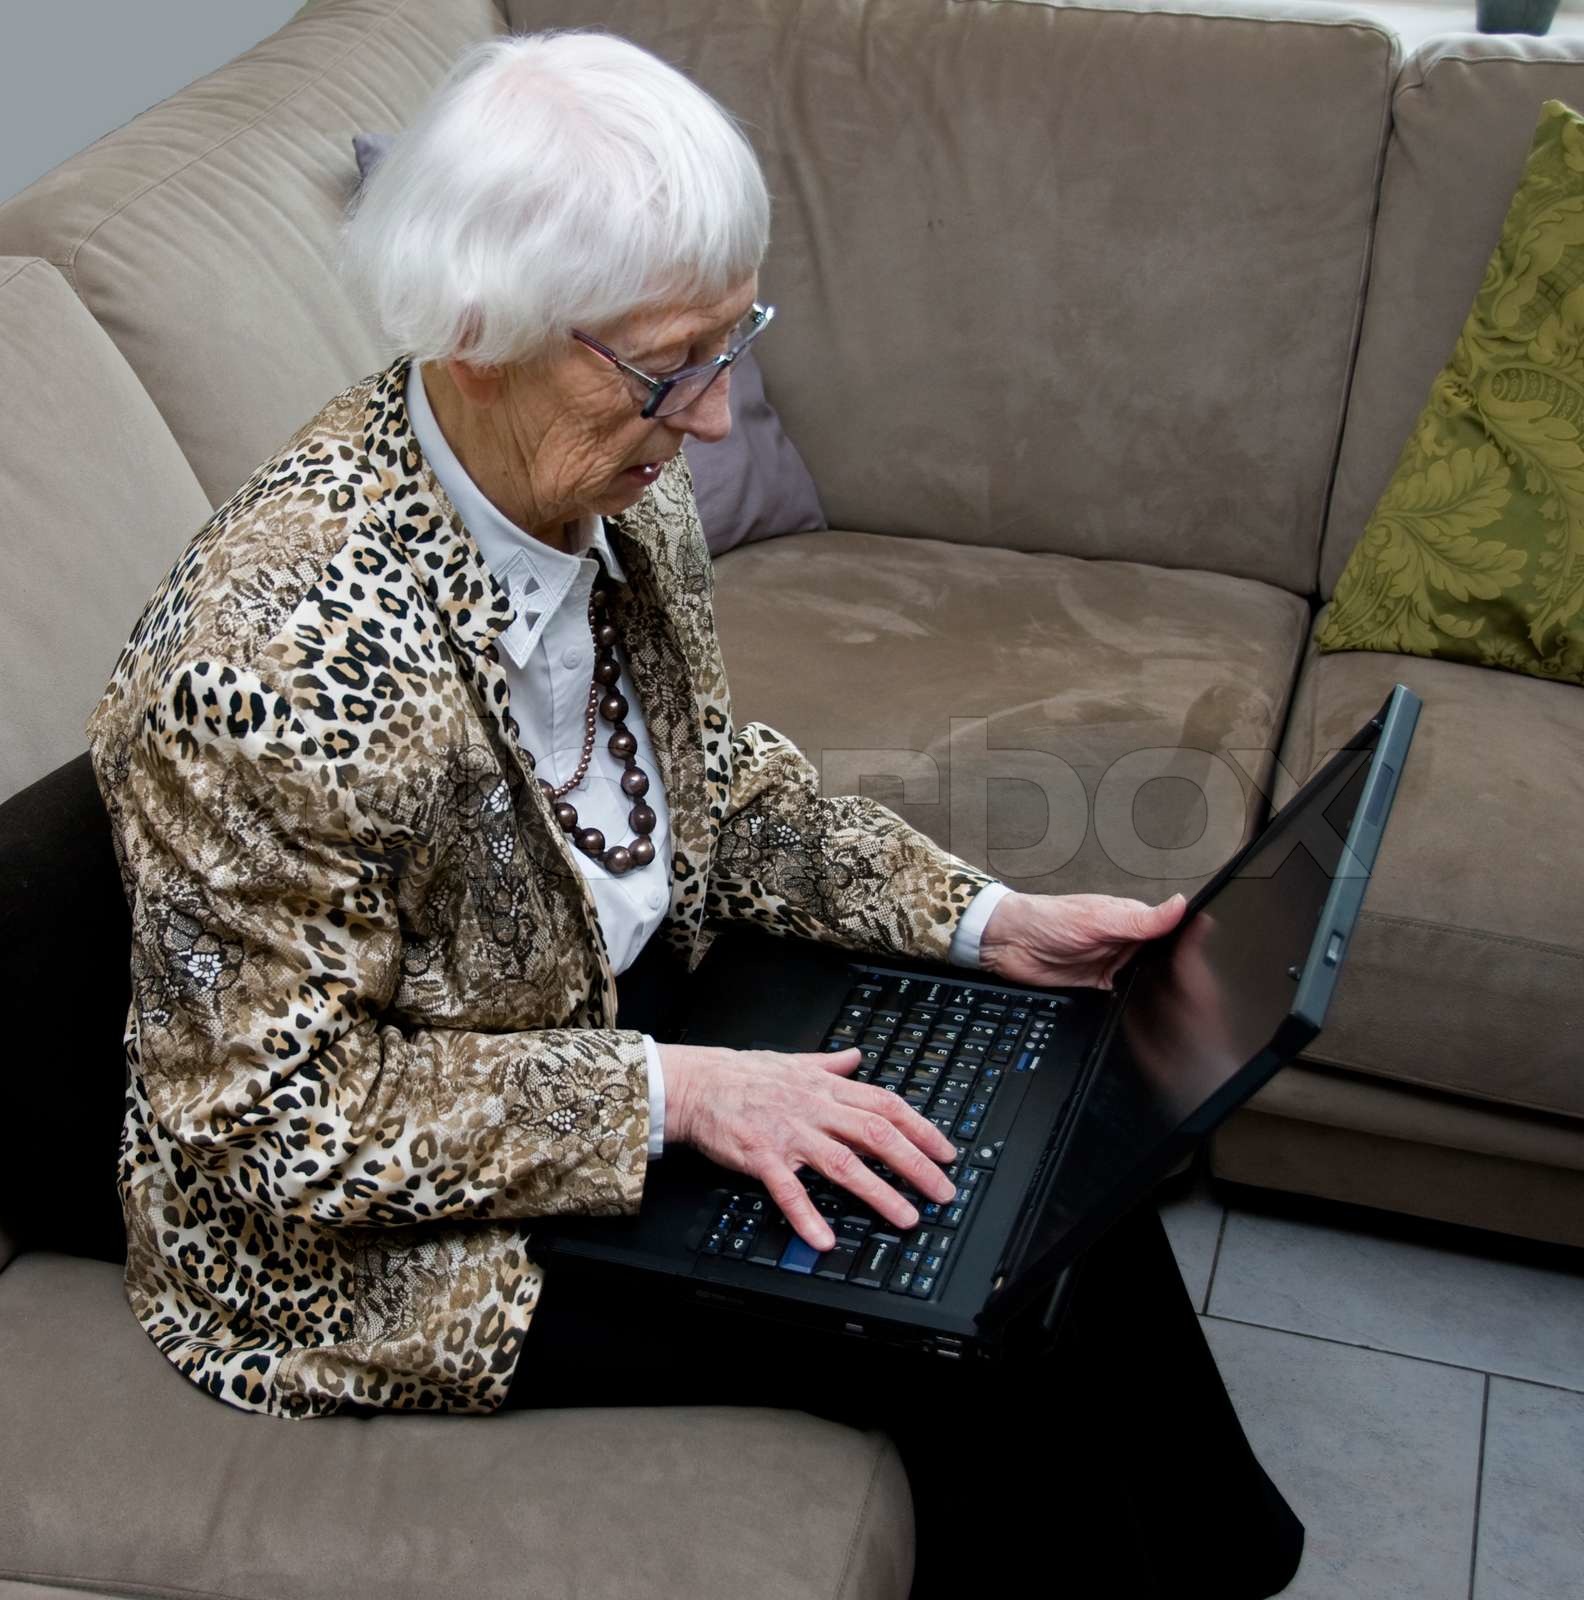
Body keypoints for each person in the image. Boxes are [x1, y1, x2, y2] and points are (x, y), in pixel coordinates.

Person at [86, 29, 1301, 1596]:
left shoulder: (612, 483)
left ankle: (1230, 1567)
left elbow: (709, 784)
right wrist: (679, 1098)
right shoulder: (262, 673)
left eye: (735, 345)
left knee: (1054, 1138)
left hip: (610, 1022)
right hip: (365, 1244)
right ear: (475, 327)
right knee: (963, 1318)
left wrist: (988, 923)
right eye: (674, 364)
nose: (715, 421)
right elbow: (275, 1127)